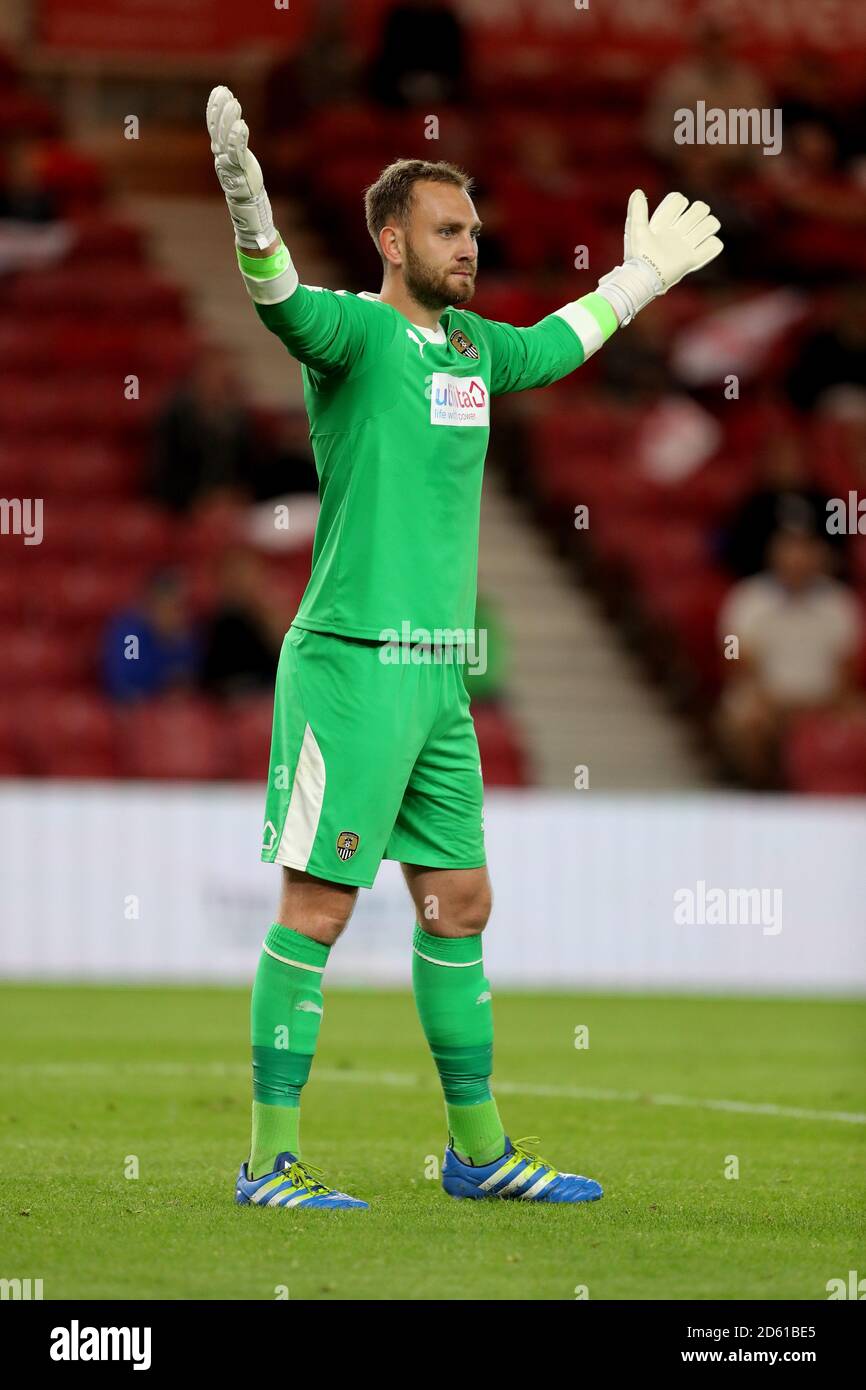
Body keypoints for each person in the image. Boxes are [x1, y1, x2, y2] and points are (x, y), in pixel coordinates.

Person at [206, 85, 723, 1210]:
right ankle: (267, 1162)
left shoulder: (478, 349)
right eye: (448, 231)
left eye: (475, 234)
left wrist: (636, 281)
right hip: (348, 662)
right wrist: (252, 220)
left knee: (460, 902)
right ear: (391, 240)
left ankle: (476, 1153)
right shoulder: (355, 331)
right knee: (320, 910)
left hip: (439, 674)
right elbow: (282, 306)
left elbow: (551, 345)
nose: (468, 248)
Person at [716, 527, 862, 787]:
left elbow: (847, 663)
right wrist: (760, 691)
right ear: (775, 555)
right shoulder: (746, 598)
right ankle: (762, 793)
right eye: (790, 550)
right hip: (764, 696)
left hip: (827, 699)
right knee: (745, 722)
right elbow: (730, 649)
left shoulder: (840, 603)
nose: (797, 558)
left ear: (820, 556)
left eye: (805, 550)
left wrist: (829, 701)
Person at [102, 570, 200, 703]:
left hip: (170, 708)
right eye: (168, 605)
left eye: (179, 607)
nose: (175, 614)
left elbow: (186, 681)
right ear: (151, 603)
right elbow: (125, 683)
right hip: (137, 707)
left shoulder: (185, 635)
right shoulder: (131, 635)